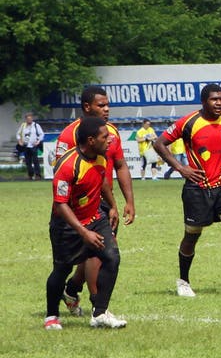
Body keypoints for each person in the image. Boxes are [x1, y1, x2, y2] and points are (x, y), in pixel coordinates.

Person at [153, 83, 221, 297]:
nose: (219, 102)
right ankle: (183, 281)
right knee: (192, 236)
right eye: (214, 99)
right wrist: (181, 168)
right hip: (197, 188)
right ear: (204, 102)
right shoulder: (189, 122)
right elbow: (159, 143)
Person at [55, 85, 136, 317]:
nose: (107, 109)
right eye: (101, 105)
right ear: (87, 107)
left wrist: (127, 201)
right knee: (96, 253)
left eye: (108, 104)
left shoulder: (111, 132)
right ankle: (97, 306)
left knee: (95, 254)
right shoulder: (68, 135)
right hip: (79, 206)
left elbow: (120, 166)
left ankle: (72, 290)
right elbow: (61, 175)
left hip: (104, 202)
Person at [44, 116, 127, 330]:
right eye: (104, 137)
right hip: (67, 226)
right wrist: (83, 232)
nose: (110, 140)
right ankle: (51, 316)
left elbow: (103, 182)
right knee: (61, 270)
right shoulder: (67, 166)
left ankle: (100, 313)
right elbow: (61, 204)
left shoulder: (101, 156)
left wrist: (113, 206)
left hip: (95, 218)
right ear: (91, 140)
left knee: (112, 257)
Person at [17, 111, 44, 180]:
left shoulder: (36, 125)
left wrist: (38, 141)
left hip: (33, 146)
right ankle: (30, 175)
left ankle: (38, 175)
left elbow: (41, 134)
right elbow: (18, 134)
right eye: (28, 119)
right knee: (28, 162)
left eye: (30, 119)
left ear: (32, 119)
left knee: (35, 161)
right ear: (26, 119)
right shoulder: (23, 126)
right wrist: (20, 141)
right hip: (26, 146)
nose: (29, 120)